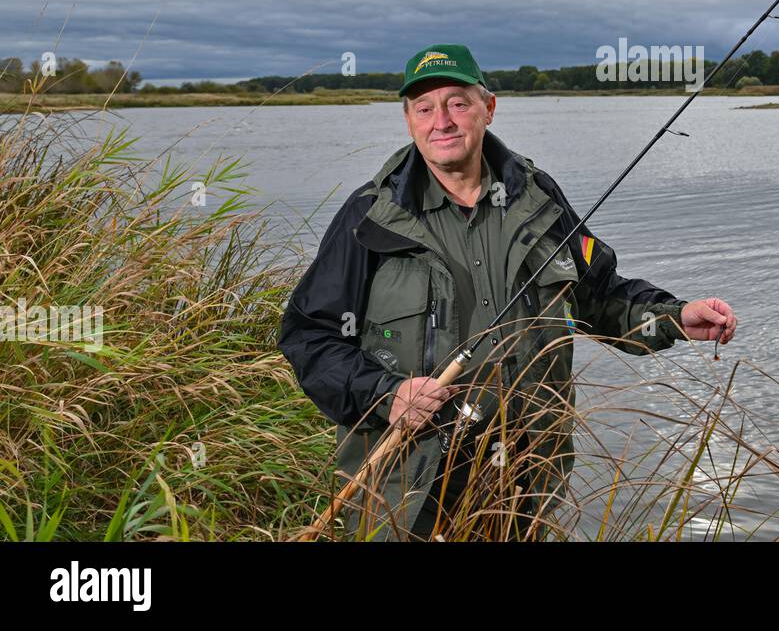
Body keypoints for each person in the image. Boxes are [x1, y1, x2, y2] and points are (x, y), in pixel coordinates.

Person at [278, 42, 738, 540]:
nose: (443, 121)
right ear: (408, 120)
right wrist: (387, 394)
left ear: (488, 108)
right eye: (425, 108)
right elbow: (309, 336)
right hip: (404, 488)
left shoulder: (539, 200)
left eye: (458, 103)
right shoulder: (371, 215)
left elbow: (598, 295)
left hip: (521, 478)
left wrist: (673, 318)